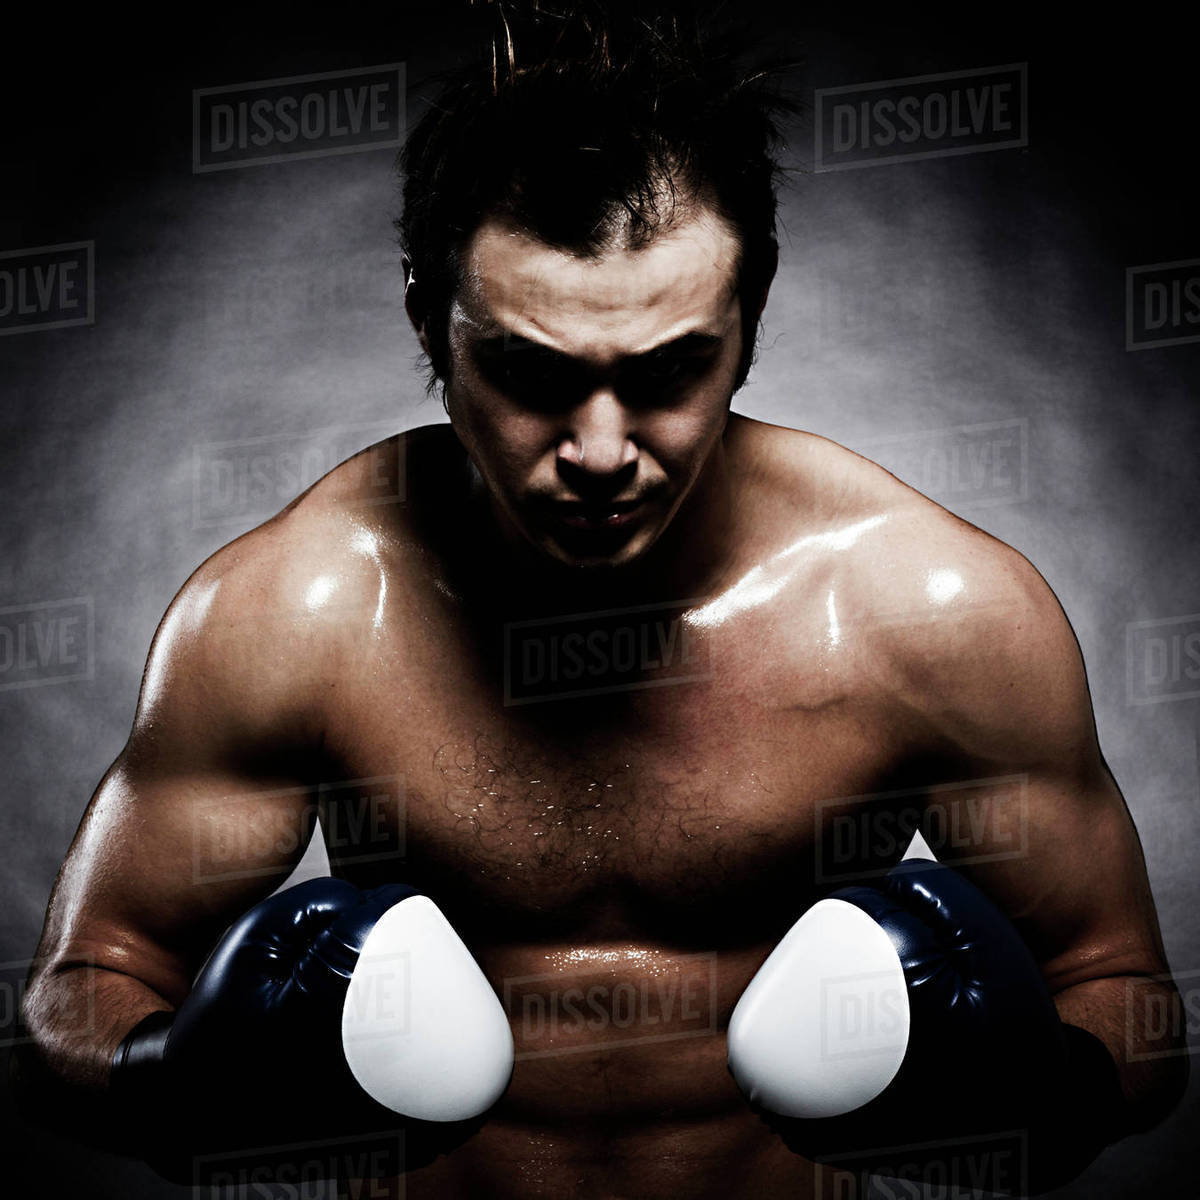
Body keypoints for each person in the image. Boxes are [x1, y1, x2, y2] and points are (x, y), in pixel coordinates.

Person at [12, 4, 1188, 1197]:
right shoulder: (299, 612)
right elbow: (77, 993)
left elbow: (1126, 995)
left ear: (750, 320)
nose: (600, 450)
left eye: (670, 370)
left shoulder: (930, 611)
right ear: (431, 319)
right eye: (532, 372)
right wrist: (175, 1078)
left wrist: (1051, 1095)